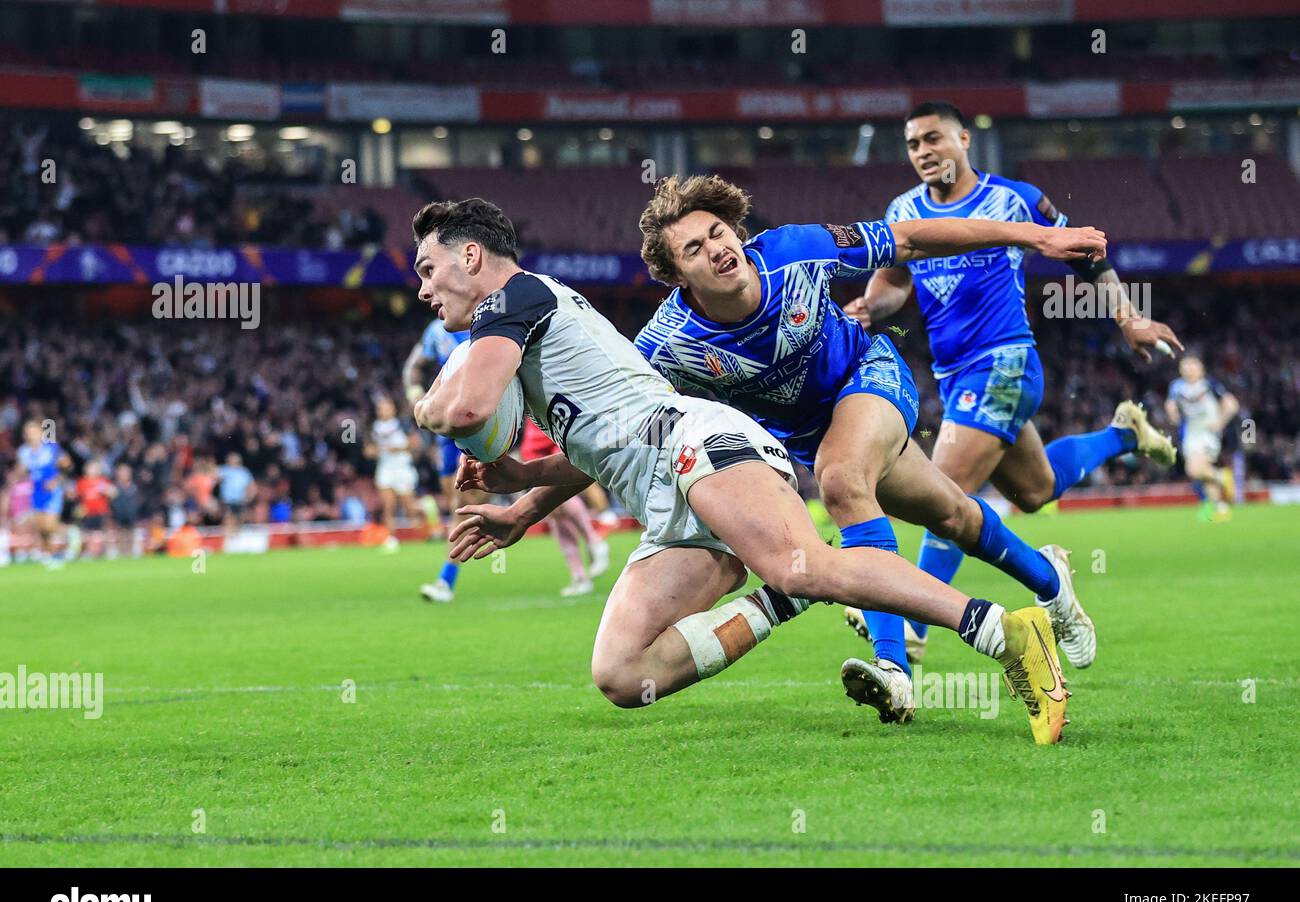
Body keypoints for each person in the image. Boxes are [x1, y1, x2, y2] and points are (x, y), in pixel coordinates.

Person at [410, 196, 1070, 744]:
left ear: (471, 256)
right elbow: (607, 442)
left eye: (428, 268)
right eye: (693, 249)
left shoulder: (512, 300)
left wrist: (420, 402)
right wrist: (523, 498)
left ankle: (1003, 632)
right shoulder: (615, 331)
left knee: (819, 534)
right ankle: (791, 598)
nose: (423, 288)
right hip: (669, 484)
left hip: (709, 443)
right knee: (623, 673)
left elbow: (465, 409)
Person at [633, 173, 1098, 706]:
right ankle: (1050, 578)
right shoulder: (667, 344)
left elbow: (911, 239)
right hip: (815, 437)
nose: (716, 248)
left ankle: (893, 668)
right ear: (676, 276)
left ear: (735, 232)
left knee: (842, 480)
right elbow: (618, 417)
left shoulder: (796, 251)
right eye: (694, 248)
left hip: (870, 375)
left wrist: (1037, 236)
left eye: (718, 232)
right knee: (952, 515)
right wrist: (550, 487)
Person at [843, 101, 1182, 664]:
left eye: (933, 138)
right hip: (954, 377)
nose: (923, 151)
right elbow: (894, 282)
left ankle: (909, 627)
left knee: (945, 487)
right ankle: (1123, 435)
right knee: (1035, 490)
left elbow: (1085, 254)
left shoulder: (1012, 199)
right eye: (913, 143)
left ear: (964, 140)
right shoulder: (902, 209)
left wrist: (1128, 317)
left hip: (1005, 362)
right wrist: (868, 307)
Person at [403, 315, 482, 602]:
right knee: (457, 505)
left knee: (463, 505)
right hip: (447, 428)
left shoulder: (487, 322)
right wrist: (416, 396)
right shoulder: (437, 331)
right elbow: (413, 367)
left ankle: (446, 580)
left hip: (481, 421)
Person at [520, 419, 610, 596]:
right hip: (538, 433)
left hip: (550, 428)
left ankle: (593, 542)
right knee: (555, 513)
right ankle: (580, 574)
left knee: (558, 494)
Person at [1166, 355, 1240, 522]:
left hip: (1207, 433)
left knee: (1193, 470)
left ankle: (1223, 477)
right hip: (1190, 434)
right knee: (1203, 474)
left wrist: (1220, 422)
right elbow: (1170, 405)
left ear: (1201, 369)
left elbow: (1232, 404)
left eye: (1193, 366)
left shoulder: (1209, 384)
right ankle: (1221, 509)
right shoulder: (1177, 387)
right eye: (1185, 367)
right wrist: (1173, 414)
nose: (1189, 370)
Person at [16, 420, 79, 567]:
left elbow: (67, 465)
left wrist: (57, 480)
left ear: (40, 432)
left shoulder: (51, 448)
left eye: (33, 431)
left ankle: (70, 534)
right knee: (41, 527)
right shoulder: (24, 451)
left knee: (50, 524)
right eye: (28, 432)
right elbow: (23, 471)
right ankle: (51, 555)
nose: (30, 435)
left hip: (52, 491)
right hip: (36, 491)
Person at [366, 396, 422, 552]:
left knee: (409, 508)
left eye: (386, 407)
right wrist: (375, 451)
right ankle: (390, 539)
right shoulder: (374, 428)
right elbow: (368, 449)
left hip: (402, 468)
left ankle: (425, 525)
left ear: (393, 409)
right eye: (380, 408)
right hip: (385, 469)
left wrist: (398, 449)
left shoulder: (403, 424)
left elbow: (416, 443)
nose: (383, 410)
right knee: (388, 505)